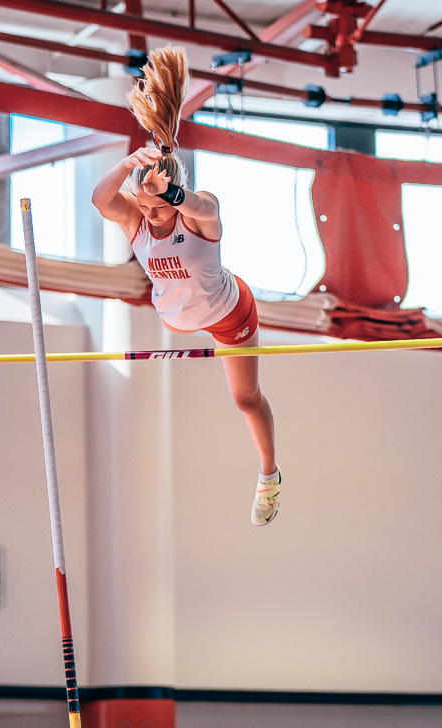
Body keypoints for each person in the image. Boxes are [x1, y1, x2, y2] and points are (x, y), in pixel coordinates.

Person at [92, 44, 281, 527]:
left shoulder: (199, 214)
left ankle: (269, 475)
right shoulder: (136, 218)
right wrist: (128, 164)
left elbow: (199, 206)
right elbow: (101, 198)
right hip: (177, 319)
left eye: (159, 208)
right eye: (145, 205)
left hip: (228, 313)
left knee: (244, 399)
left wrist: (171, 194)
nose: (151, 216)